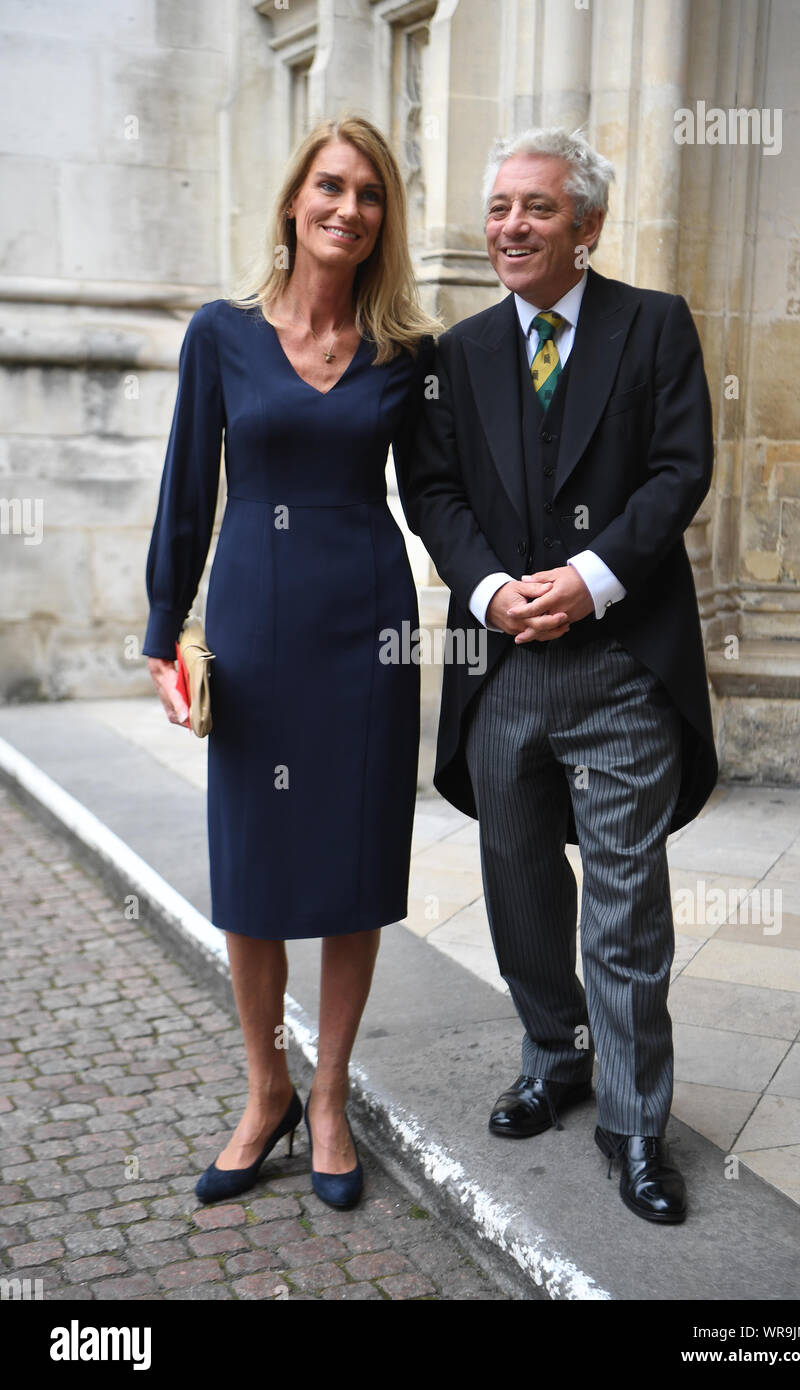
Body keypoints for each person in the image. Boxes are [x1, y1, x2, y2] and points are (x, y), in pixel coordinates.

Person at [402, 127, 717, 1224]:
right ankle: (556, 1052)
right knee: (520, 879)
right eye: (496, 208)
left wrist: (587, 579)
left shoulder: (655, 327)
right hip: (501, 666)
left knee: (624, 906)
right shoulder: (456, 353)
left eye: (535, 209)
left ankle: (634, 1124)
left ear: (585, 227)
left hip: (623, 662)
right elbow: (431, 489)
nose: (509, 227)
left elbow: (680, 470)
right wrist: (490, 592)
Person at [142, 114, 438, 1209]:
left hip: (365, 631)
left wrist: (516, 586)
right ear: (292, 201)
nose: (347, 207)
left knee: (352, 865)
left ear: (381, 220)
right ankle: (265, 1087)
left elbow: (444, 496)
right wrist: (163, 632)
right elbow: (185, 491)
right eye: (329, 185)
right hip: (255, 633)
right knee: (256, 872)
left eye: (368, 194)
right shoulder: (219, 335)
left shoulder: (408, 356)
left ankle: (328, 1098)